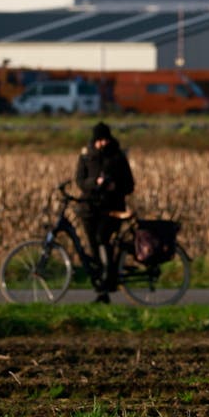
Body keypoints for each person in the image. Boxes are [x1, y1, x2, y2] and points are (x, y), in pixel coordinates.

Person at [74, 121, 135, 303]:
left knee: (103, 239)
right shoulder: (86, 156)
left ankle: (109, 279)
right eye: (99, 140)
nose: (103, 144)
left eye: (105, 140)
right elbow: (80, 180)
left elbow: (129, 185)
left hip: (111, 209)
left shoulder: (117, 157)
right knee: (94, 247)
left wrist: (114, 186)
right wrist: (95, 183)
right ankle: (103, 290)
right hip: (89, 209)